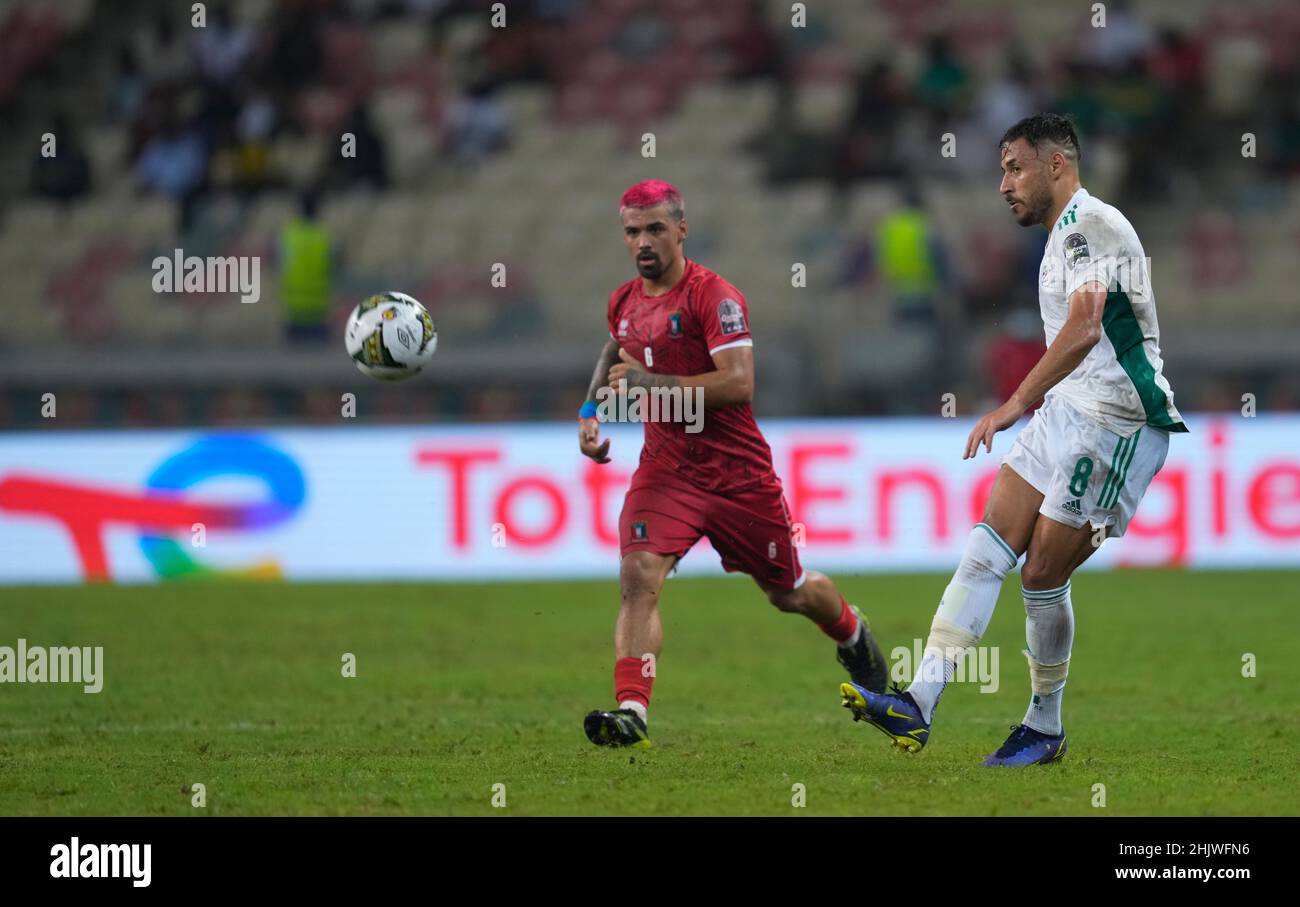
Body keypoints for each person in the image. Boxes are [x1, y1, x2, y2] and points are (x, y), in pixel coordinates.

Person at [840, 114, 1185, 765]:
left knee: (1041, 573)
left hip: (1116, 422)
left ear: (1057, 164)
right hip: (1066, 412)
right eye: (1002, 168)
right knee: (984, 547)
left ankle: (1044, 725)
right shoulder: (1060, 238)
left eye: (1015, 167)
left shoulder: (1093, 226)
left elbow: (1084, 330)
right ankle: (917, 703)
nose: (1004, 183)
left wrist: (1014, 403)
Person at [579, 180, 888, 749]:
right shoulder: (624, 301)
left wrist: (653, 383)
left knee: (790, 593)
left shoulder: (714, 297)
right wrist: (590, 412)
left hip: (737, 477)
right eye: (632, 231)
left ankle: (851, 633)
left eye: (655, 229)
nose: (643, 241)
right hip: (666, 471)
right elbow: (613, 347)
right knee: (639, 575)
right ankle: (632, 713)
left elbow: (739, 384)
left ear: (681, 230)